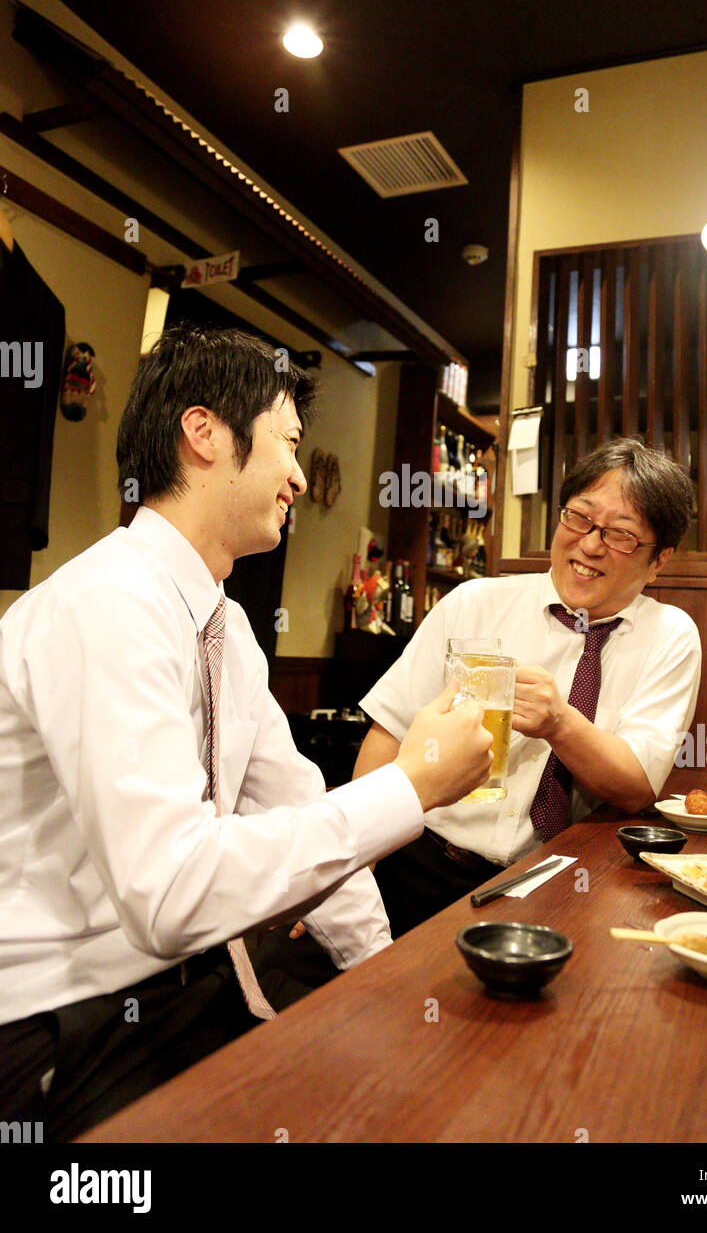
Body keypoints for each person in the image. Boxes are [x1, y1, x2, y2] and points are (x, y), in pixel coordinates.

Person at [0, 323, 492, 1139]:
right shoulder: (110, 603)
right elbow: (171, 893)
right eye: (288, 443)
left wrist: (388, 979)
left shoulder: (224, 625)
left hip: (173, 983)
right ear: (204, 435)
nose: (299, 474)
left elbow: (291, 798)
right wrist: (410, 785)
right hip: (55, 1013)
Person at [354, 437, 701, 936]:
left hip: (558, 882)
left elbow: (636, 786)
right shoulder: (474, 603)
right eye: (579, 517)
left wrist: (560, 723)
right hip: (421, 863)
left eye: (620, 535)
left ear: (659, 560)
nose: (589, 544)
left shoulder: (670, 636)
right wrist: (353, 862)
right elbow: (389, 733)